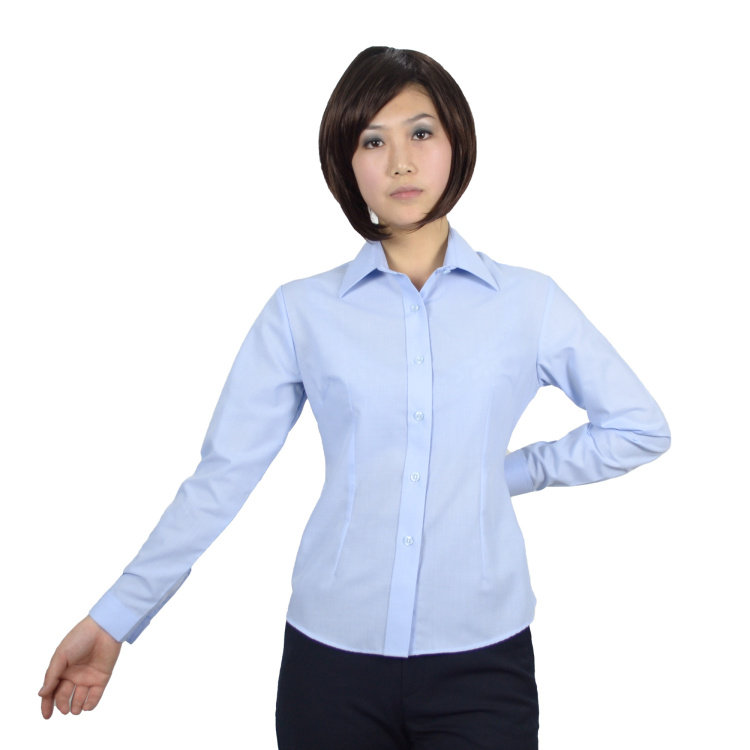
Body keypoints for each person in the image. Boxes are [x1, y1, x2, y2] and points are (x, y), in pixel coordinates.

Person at [38, 46, 671, 749]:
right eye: (373, 140)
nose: (401, 162)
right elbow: (222, 477)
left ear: (457, 142)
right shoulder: (301, 312)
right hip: (330, 664)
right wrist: (115, 616)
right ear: (347, 162)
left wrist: (506, 472)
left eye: (421, 132)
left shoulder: (529, 303)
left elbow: (639, 427)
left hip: (483, 662)